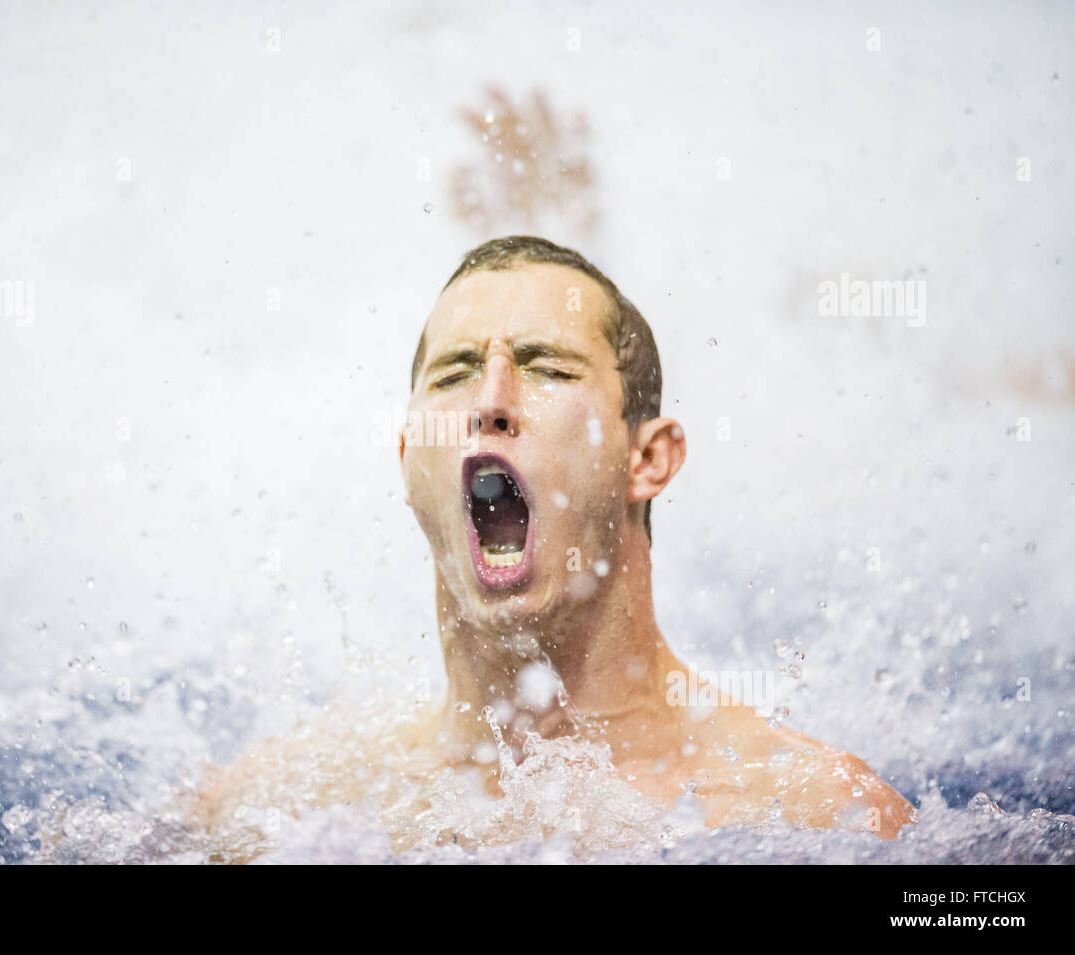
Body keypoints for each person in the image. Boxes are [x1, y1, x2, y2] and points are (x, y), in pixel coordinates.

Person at [196, 235, 915, 855]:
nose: (490, 403)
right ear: (408, 457)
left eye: (548, 368)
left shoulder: (815, 814)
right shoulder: (284, 809)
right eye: (454, 373)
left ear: (647, 459)